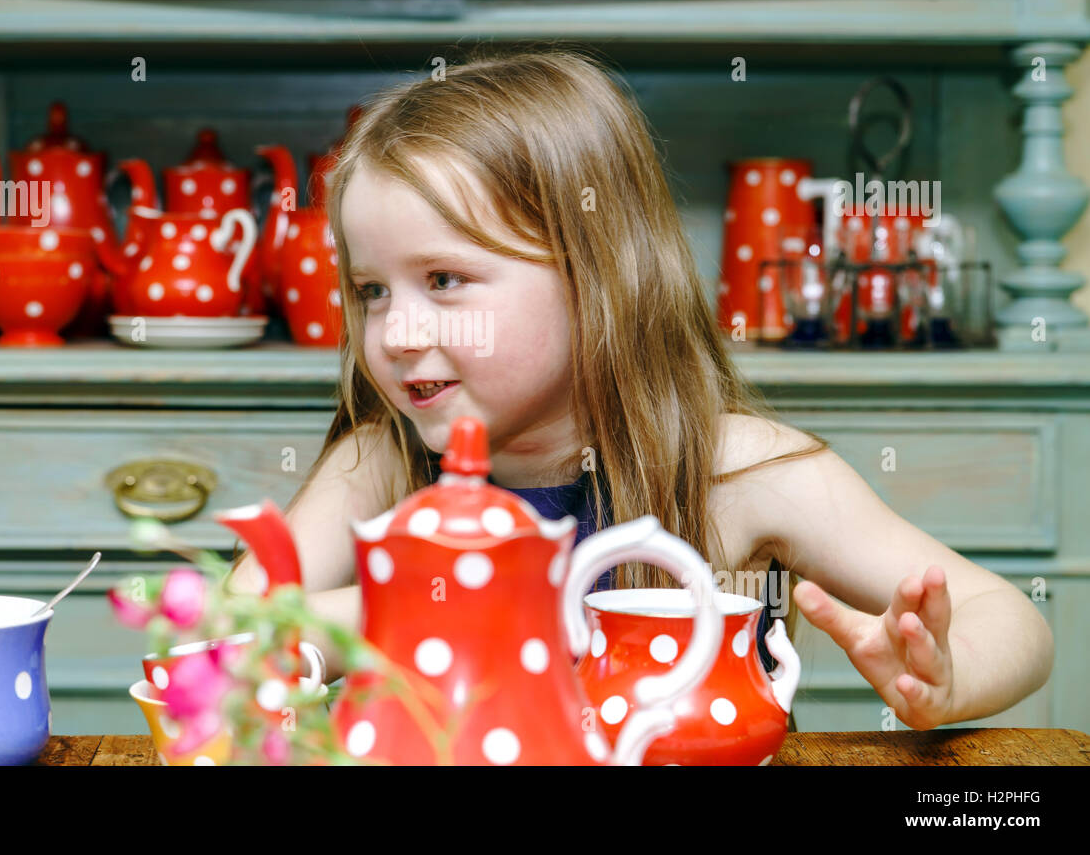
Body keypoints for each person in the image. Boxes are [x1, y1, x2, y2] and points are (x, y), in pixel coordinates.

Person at [229, 47, 1053, 732]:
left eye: (444, 279)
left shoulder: (737, 469)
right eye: (372, 291)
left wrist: (948, 678)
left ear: (597, 275)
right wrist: (404, 602)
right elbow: (219, 641)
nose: (397, 332)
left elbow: (1012, 618)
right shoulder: (380, 462)